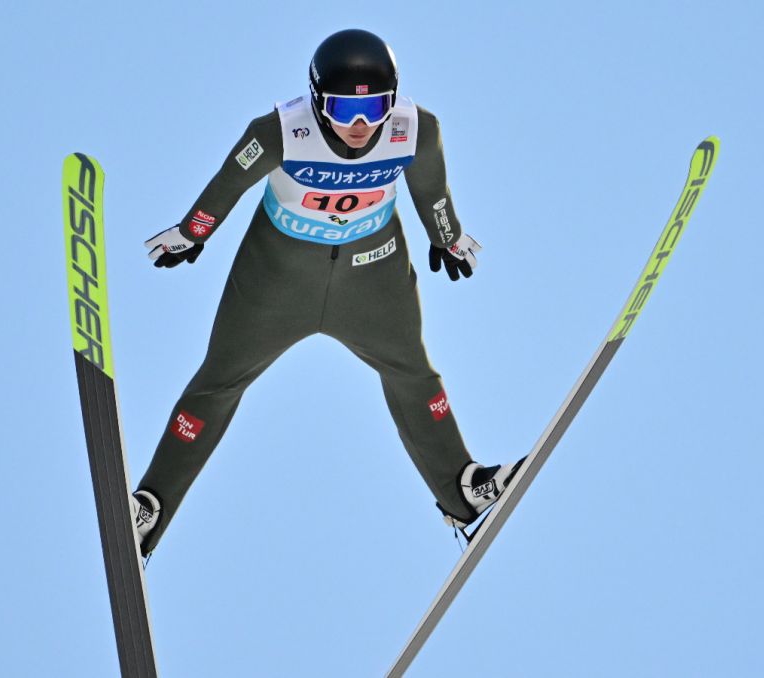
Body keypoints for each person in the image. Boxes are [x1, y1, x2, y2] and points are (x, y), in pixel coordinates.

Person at [130, 28, 519, 556]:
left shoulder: (415, 129)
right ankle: (149, 508)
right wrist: (192, 231)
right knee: (217, 382)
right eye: (340, 109)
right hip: (277, 279)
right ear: (316, 100)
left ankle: (463, 489)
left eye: (375, 107)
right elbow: (229, 182)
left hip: (373, 273)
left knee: (413, 371)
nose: (359, 126)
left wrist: (447, 239)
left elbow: (432, 191)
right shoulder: (279, 131)